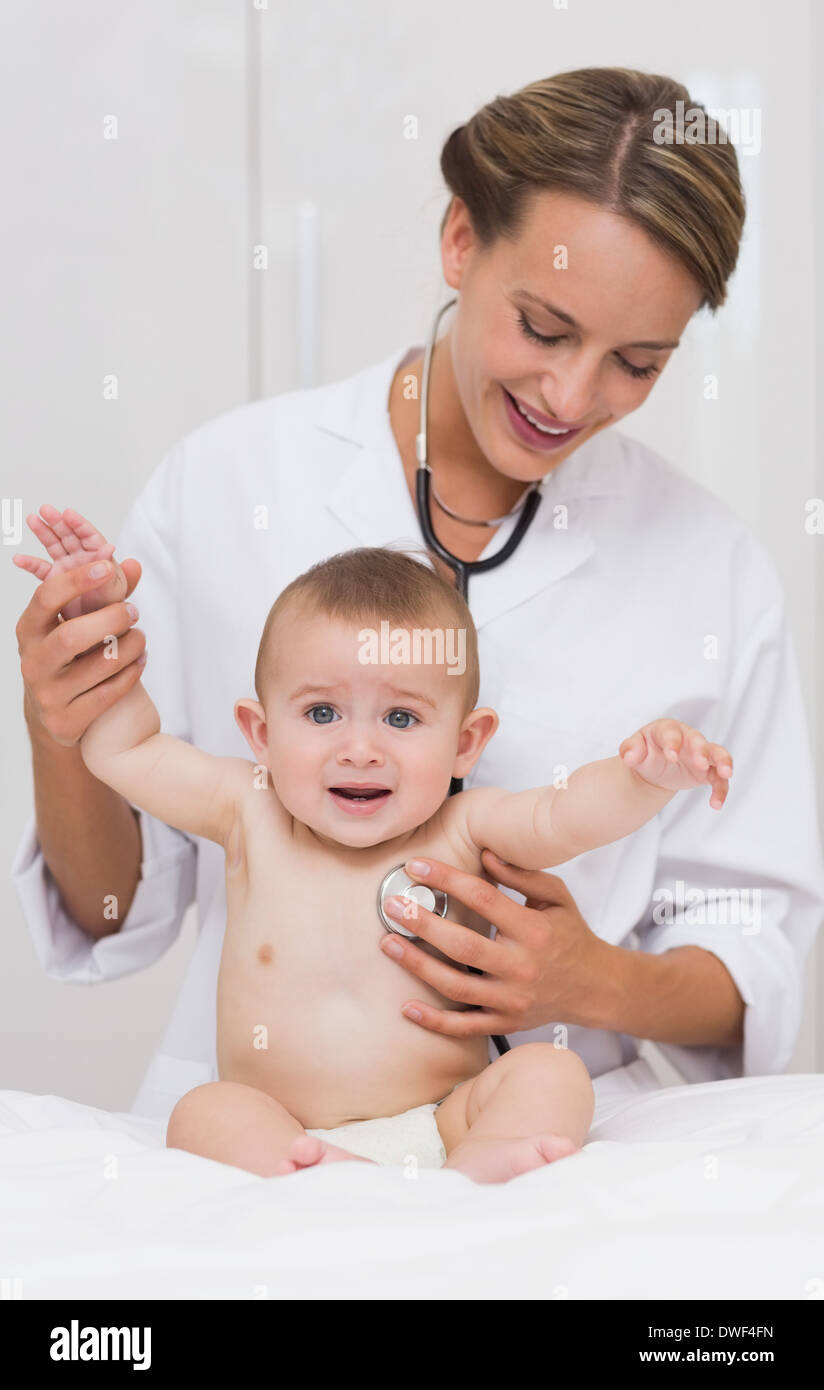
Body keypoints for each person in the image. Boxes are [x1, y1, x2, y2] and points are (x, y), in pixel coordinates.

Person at [12, 67, 824, 1126]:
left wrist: (588, 981)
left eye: (636, 362)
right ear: (459, 240)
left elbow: (752, 951)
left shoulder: (712, 566)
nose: (570, 396)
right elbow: (113, 909)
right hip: (264, 1130)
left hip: (553, 1141)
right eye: (542, 327)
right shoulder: (227, 484)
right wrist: (62, 723)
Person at [54, 539, 731, 1179]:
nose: (359, 751)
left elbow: (565, 815)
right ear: (260, 733)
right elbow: (127, 750)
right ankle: (310, 1175)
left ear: (466, 743)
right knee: (204, 1112)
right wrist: (93, 640)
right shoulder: (248, 810)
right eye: (322, 714)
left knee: (553, 1072)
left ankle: (487, 1160)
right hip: (287, 1126)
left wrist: (645, 778)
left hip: (444, 1123)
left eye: (400, 719)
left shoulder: (463, 826)